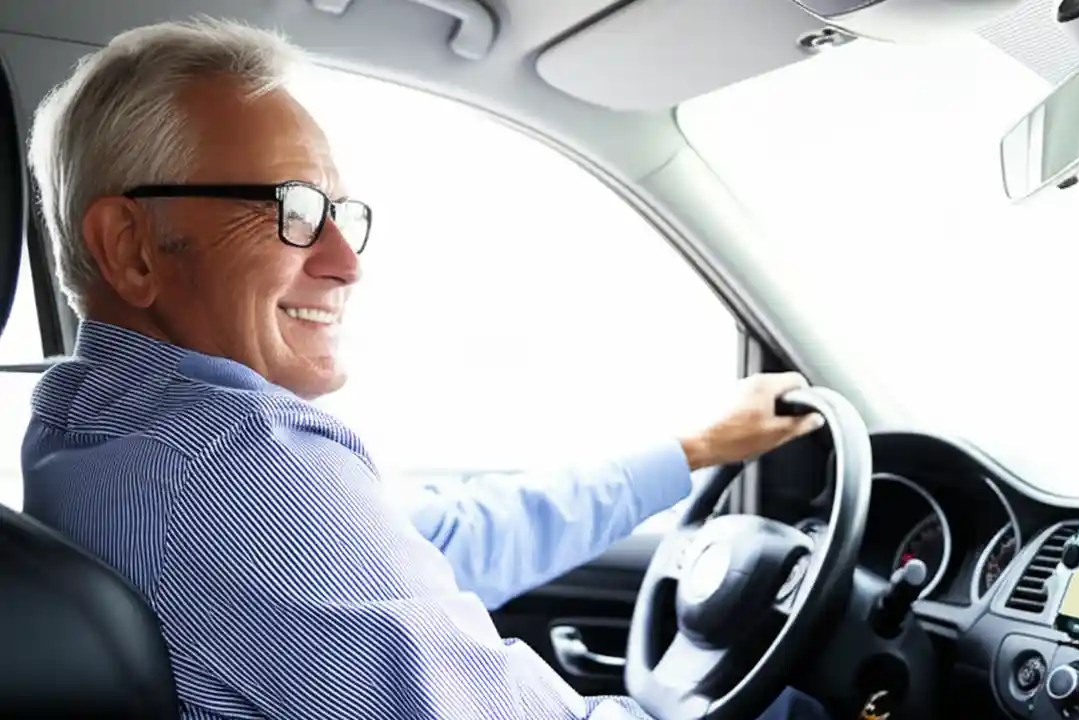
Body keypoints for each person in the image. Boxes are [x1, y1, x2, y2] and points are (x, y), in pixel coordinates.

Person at [21, 17, 830, 720]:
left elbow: (433, 542)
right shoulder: (234, 464)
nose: (345, 262)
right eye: (291, 210)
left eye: (336, 213)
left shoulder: (88, 430)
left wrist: (691, 449)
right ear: (131, 249)